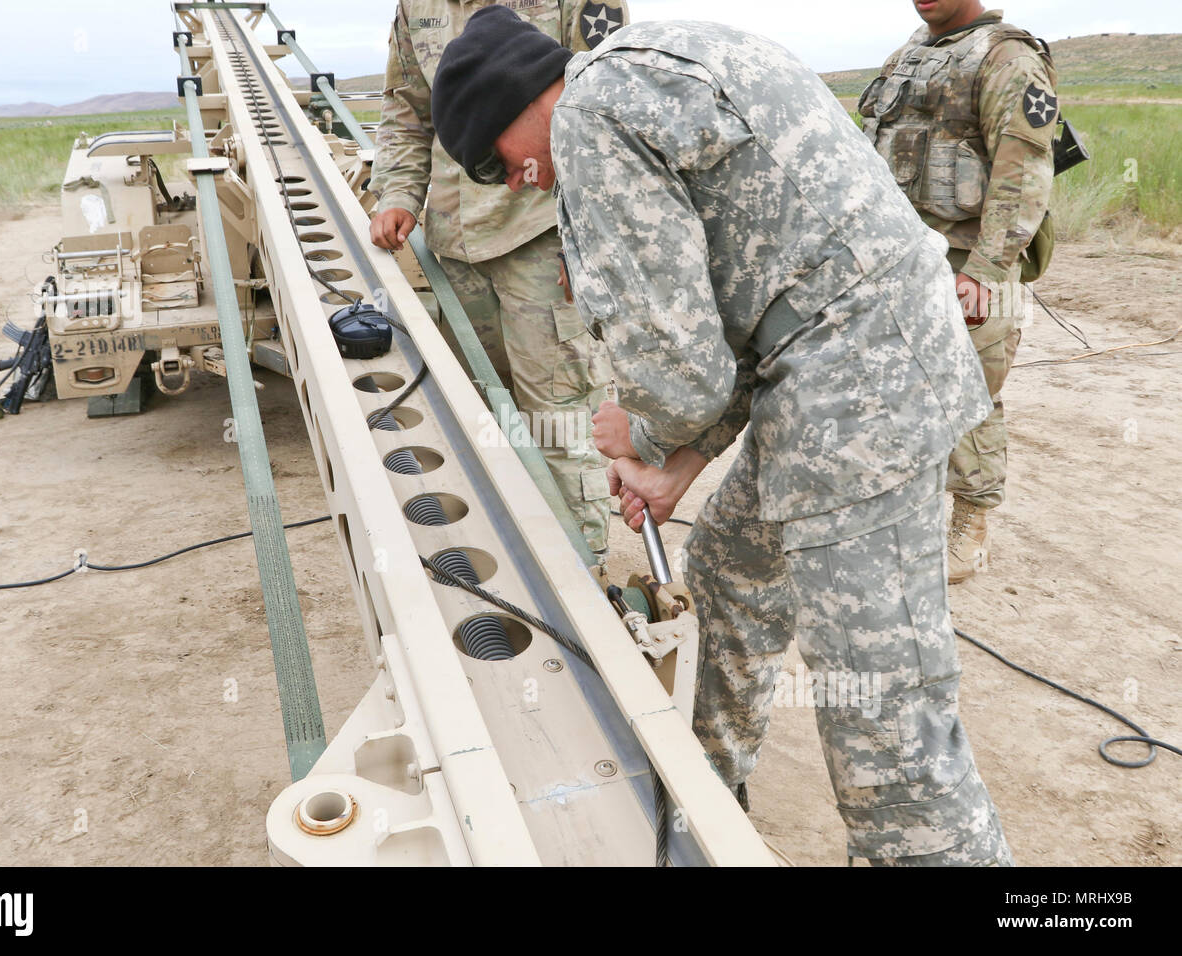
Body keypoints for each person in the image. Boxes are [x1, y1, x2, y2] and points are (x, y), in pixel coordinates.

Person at [431, 7, 1014, 865]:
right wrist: (679, 464)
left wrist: (638, 429)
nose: (517, 182)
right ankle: (705, 786)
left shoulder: (590, 121)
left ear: (524, 100)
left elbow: (680, 366)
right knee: (733, 564)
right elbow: (757, 309)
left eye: (498, 158)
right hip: (848, 360)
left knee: (887, 725)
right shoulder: (663, 57)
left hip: (860, 403)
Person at [368, 0, 629, 562]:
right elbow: (408, 112)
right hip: (453, 245)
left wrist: (588, 240)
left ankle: (581, 578)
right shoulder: (417, 7)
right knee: (474, 418)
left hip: (540, 234)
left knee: (555, 421)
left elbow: (601, 114)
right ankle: (501, 560)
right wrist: (397, 194)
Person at [860, 1, 1058, 583]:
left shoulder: (1008, 57)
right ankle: (902, 518)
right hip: (900, 257)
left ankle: (969, 525)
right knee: (892, 391)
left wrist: (988, 270)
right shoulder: (909, 55)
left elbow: (1022, 172)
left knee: (970, 393)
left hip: (964, 261)